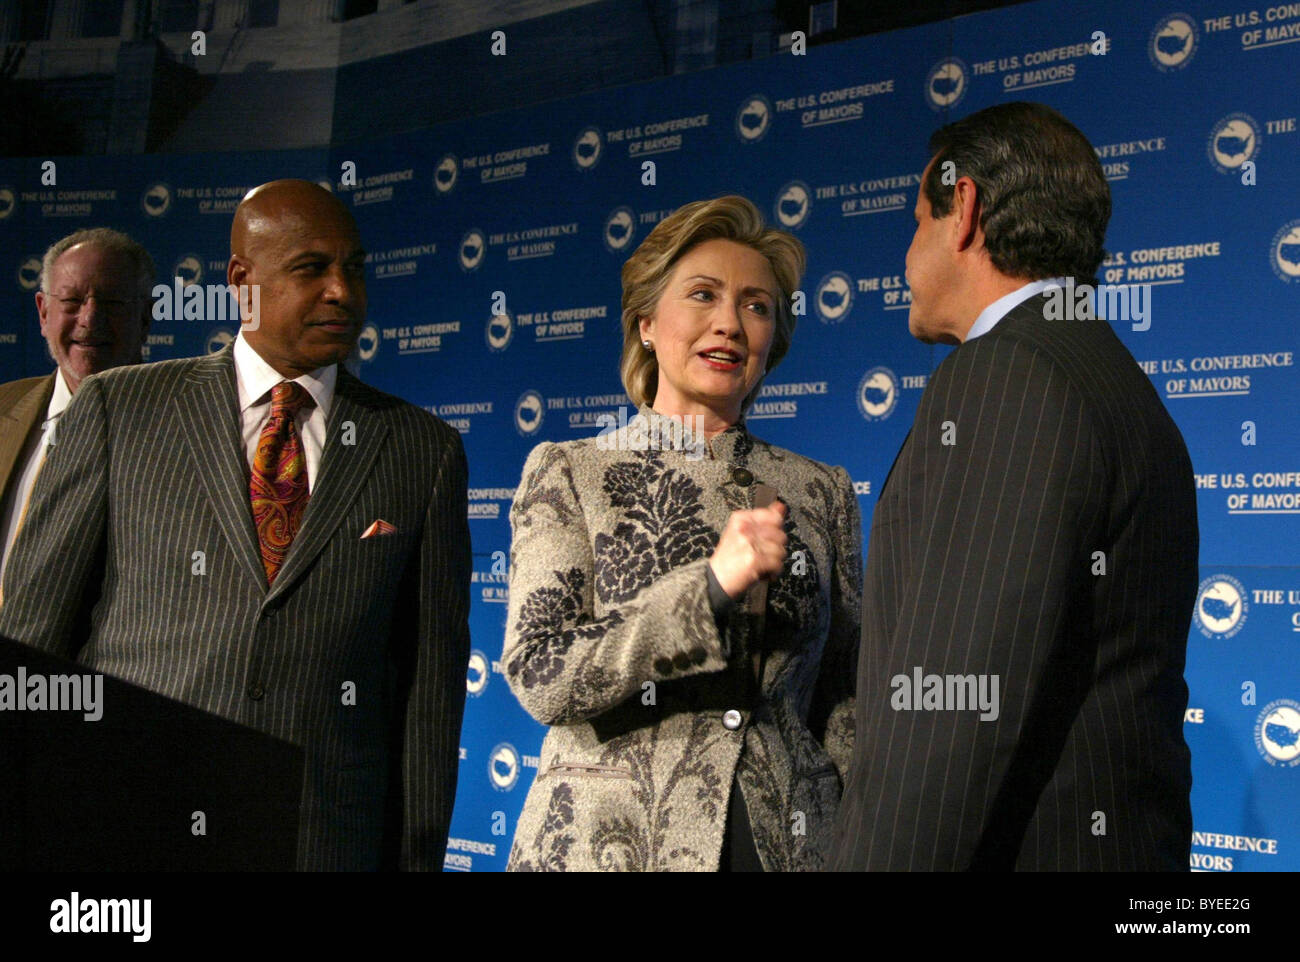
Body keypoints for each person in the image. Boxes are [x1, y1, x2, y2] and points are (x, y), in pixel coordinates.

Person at [0, 180, 472, 871]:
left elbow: (428, 698)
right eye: (312, 269)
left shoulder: (421, 450)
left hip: (323, 845)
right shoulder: (117, 410)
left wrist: (417, 858)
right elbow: (32, 647)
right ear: (241, 283)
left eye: (355, 269)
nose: (343, 292)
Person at [830, 102, 1198, 871]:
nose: (904, 257)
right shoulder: (1114, 379)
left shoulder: (1007, 375)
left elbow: (948, 716)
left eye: (915, 223)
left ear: (963, 209)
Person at [503, 195, 862, 871]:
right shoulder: (572, 471)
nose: (729, 323)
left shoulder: (822, 490)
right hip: (606, 846)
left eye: (756, 306)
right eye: (703, 295)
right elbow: (542, 672)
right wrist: (707, 591)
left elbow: (844, 702)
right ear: (645, 322)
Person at [0, 228, 151, 582]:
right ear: (43, 313)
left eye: (112, 303)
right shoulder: (4, 406)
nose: (90, 318)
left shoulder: (188, 426)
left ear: (145, 316)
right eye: (71, 302)